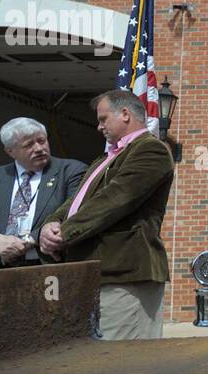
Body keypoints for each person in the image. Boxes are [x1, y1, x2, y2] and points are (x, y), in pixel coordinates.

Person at [39, 90, 174, 340]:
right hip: (96, 273)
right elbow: (75, 201)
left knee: (121, 361)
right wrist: (49, 225)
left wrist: (64, 233)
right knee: (96, 361)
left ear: (125, 114)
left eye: (103, 119)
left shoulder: (151, 150)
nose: (98, 126)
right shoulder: (106, 157)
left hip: (125, 274)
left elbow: (116, 199)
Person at [0, 118, 87, 270]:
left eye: (42, 140)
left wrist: (32, 238)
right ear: (10, 151)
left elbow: (74, 212)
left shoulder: (72, 171)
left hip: (47, 264)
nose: (39, 148)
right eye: (29, 145)